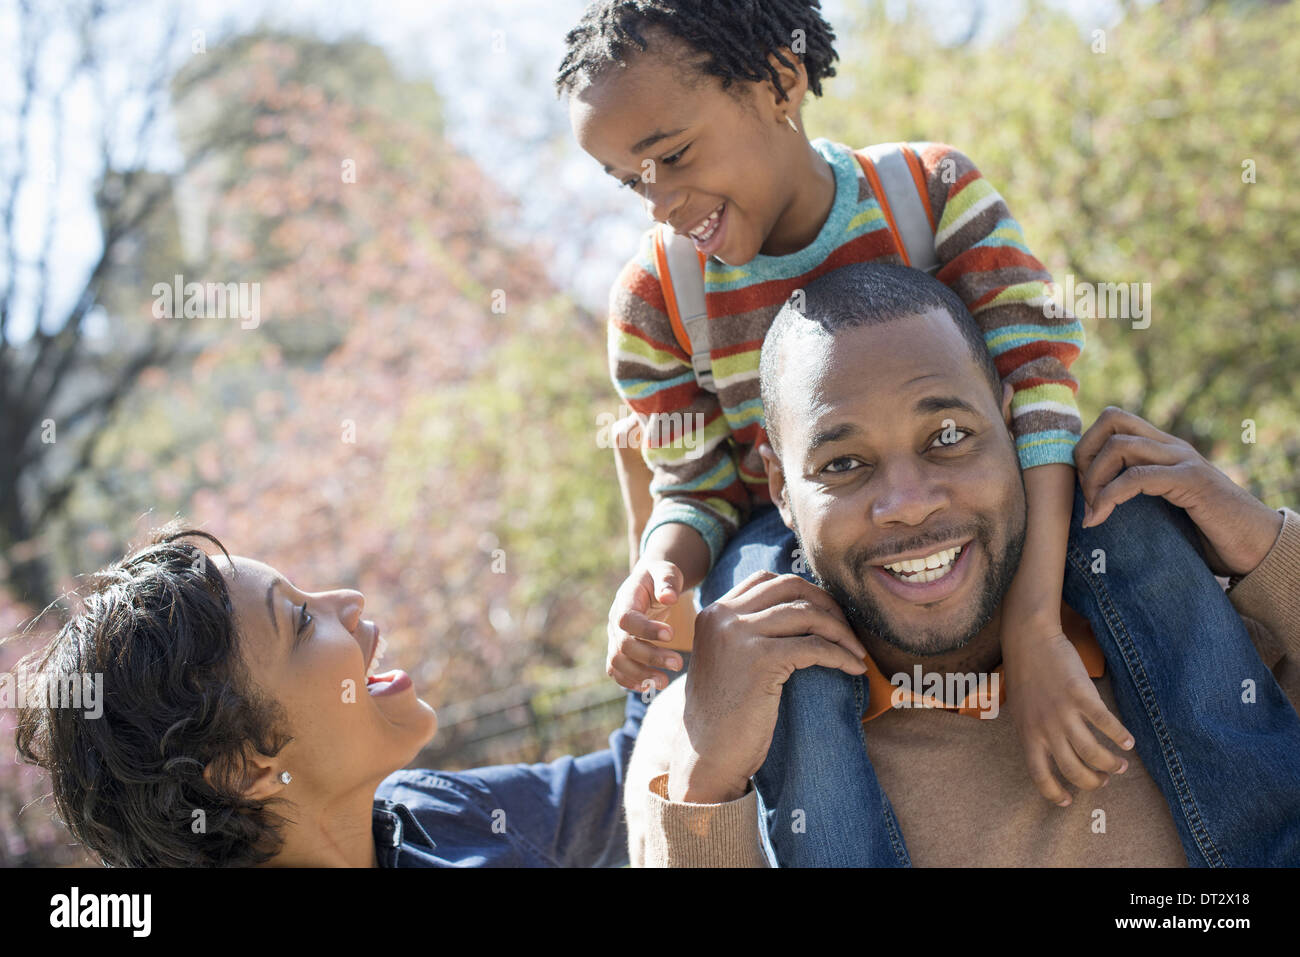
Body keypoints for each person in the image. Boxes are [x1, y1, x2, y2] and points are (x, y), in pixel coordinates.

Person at [554, 1, 1111, 817]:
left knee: (1143, 544)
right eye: (630, 180)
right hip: (789, 533)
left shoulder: (931, 196)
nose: (660, 202)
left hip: (999, 487)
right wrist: (659, 565)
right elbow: (696, 485)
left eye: (671, 155)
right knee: (774, 639)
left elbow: (1041, 404)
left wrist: (1033, 626)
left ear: (781, 80)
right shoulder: (655, 301)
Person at [624, 262, 1300, 867]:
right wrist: (705, 790)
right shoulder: (706, 734)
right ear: (781, 490)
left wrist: (1263, 542)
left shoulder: (1205, 625)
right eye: (843, 464)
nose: (909, 504)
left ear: (1015, 428)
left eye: (948, 437)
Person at [10, 536, 644, 867]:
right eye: (301, 622)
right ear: (244, 767)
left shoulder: (439, 815)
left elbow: (632, 786)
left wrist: (659, 533)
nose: (348, 600)